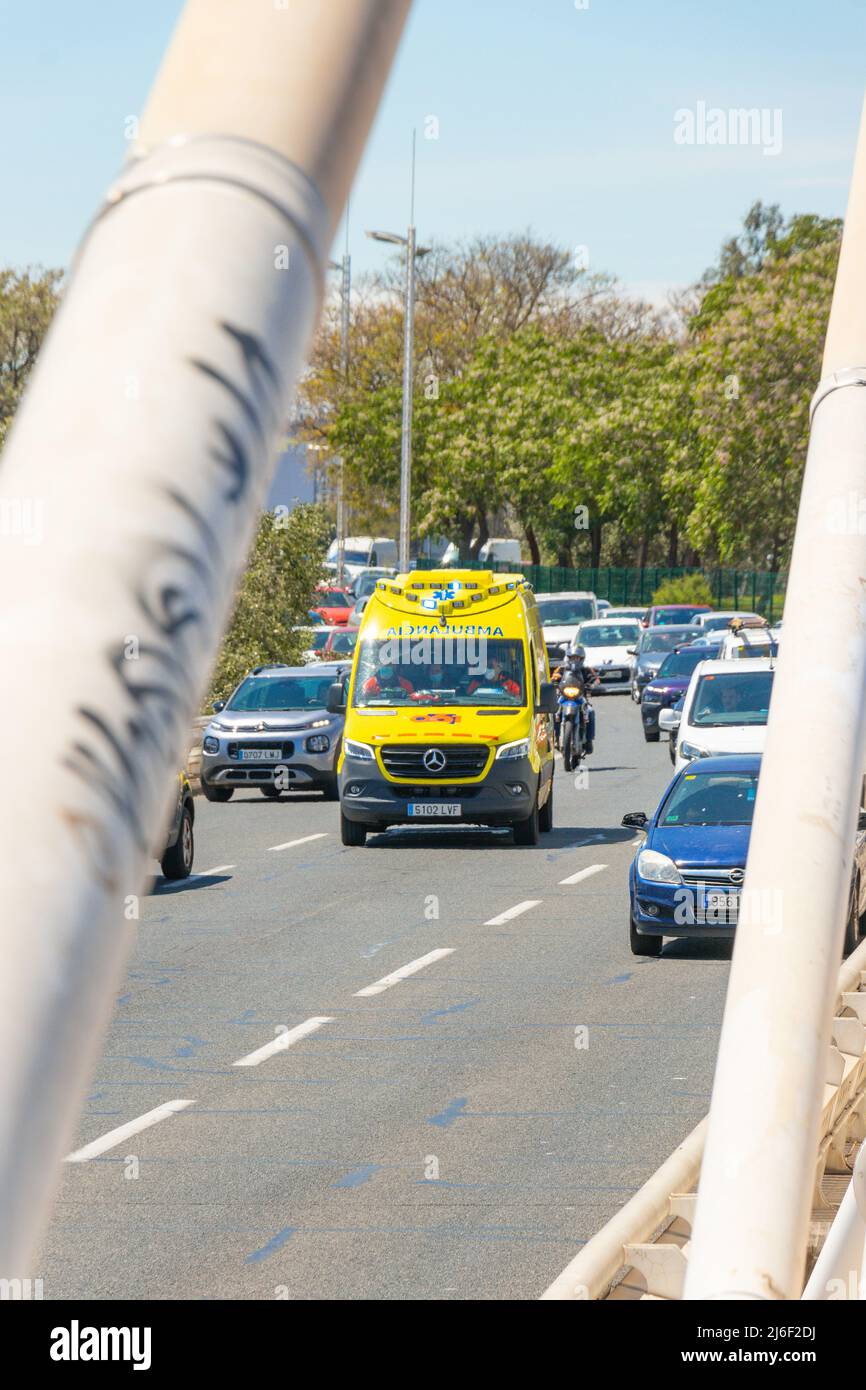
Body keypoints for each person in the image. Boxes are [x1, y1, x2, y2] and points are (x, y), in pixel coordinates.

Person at [556, 645, 596, 754]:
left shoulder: (586, 669)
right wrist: (554, 682)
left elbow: (595, 679)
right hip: (564, 696)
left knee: (591, 713)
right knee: (554, 712)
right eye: (572, 657)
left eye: (577, 658)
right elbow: (554, 677)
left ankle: (588, 740)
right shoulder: (562, 668)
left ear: (581, 658)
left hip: (580, 697)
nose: (575, 660)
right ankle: (554, 738)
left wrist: (592, 685)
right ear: (568, 658)